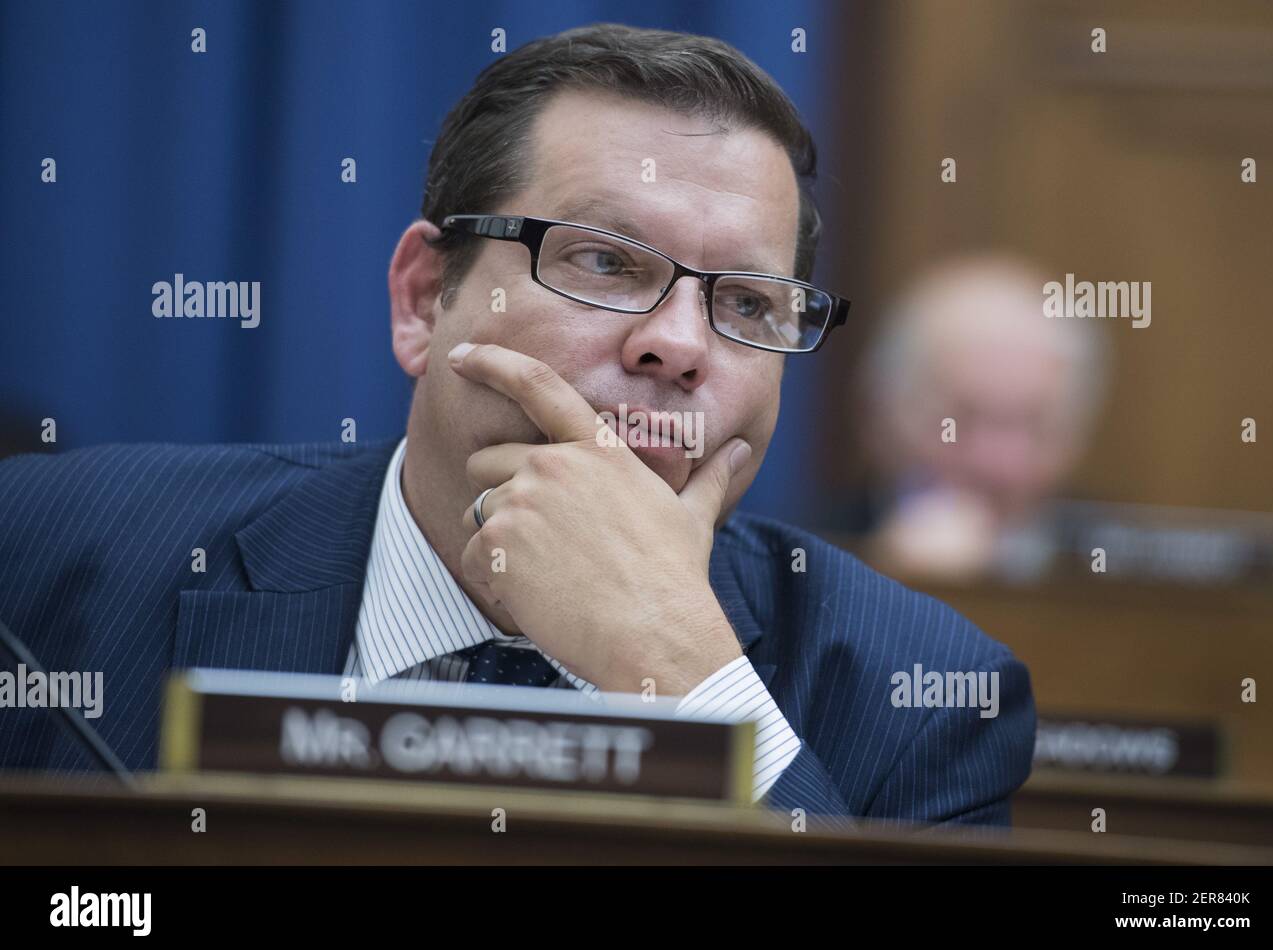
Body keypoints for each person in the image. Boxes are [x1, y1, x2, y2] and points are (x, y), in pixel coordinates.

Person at [0, 23, 1034, 826]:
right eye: (603, 261)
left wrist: (687, 677)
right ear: (422, 298)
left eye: (748, 304)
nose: (678, 345)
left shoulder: (920, 699)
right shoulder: (48, 559)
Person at [857, 255, 1108, 582]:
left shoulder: (1121, 574)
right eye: (963, 418)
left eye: (1035, 425)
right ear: (882, 416)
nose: (999, 464)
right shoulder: (806, 556)